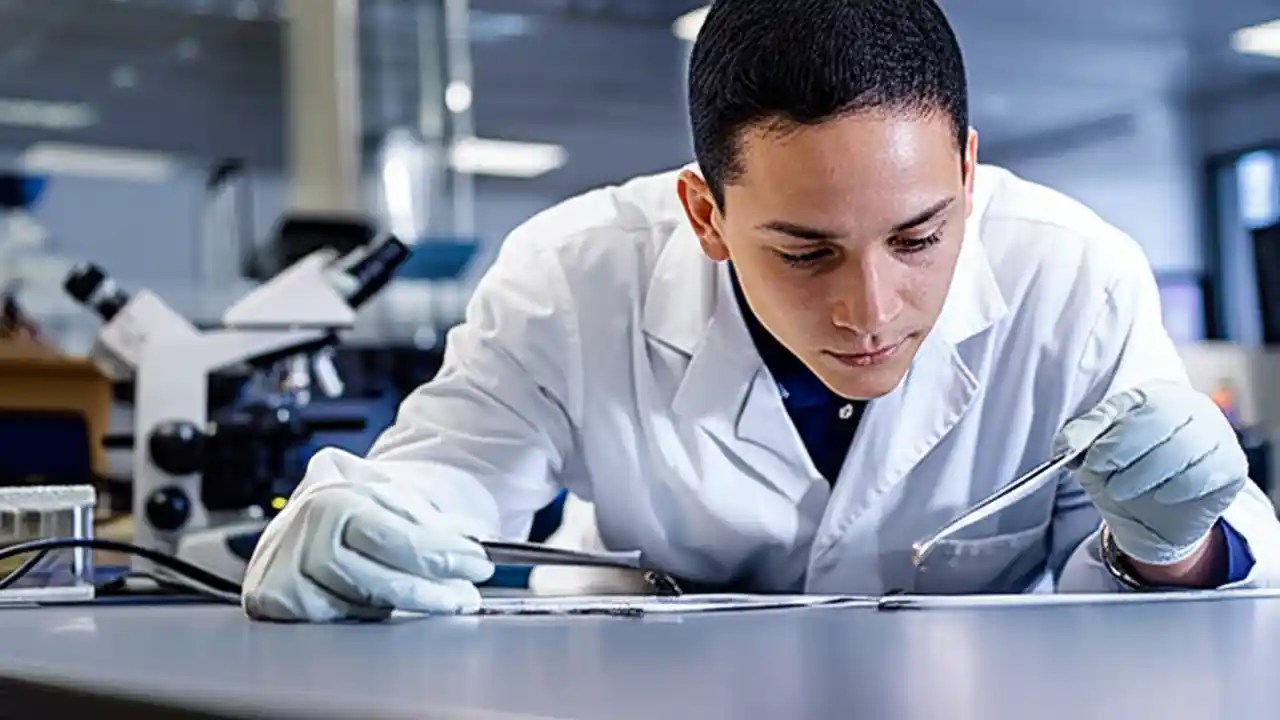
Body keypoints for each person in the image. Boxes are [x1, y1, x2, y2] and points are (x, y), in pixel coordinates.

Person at [241, 0, 1280, 622]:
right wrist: (367, 530)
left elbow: (1187, 592)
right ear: (704, 211)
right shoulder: (570, 276)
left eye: (919, 238)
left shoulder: (1075, 276)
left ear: (966, 172)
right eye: (803, 250)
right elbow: (447, 485)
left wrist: (1170, 543)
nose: (870, 310)